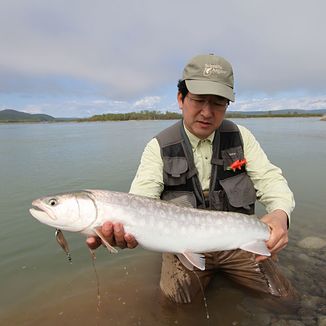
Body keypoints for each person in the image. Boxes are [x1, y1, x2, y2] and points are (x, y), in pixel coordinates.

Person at [87, 54, 296, 303]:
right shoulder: (159, 147)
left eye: (218, 103)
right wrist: (121, 231)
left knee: (284, 299)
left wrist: (280, 215)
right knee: (175, 306)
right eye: (198, 100)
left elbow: (271, 179)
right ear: (180, 99)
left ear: (227, 105)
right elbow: (139, 201)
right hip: (181, 245)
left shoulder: (242, 137)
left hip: (237, 242)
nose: (207, 112)